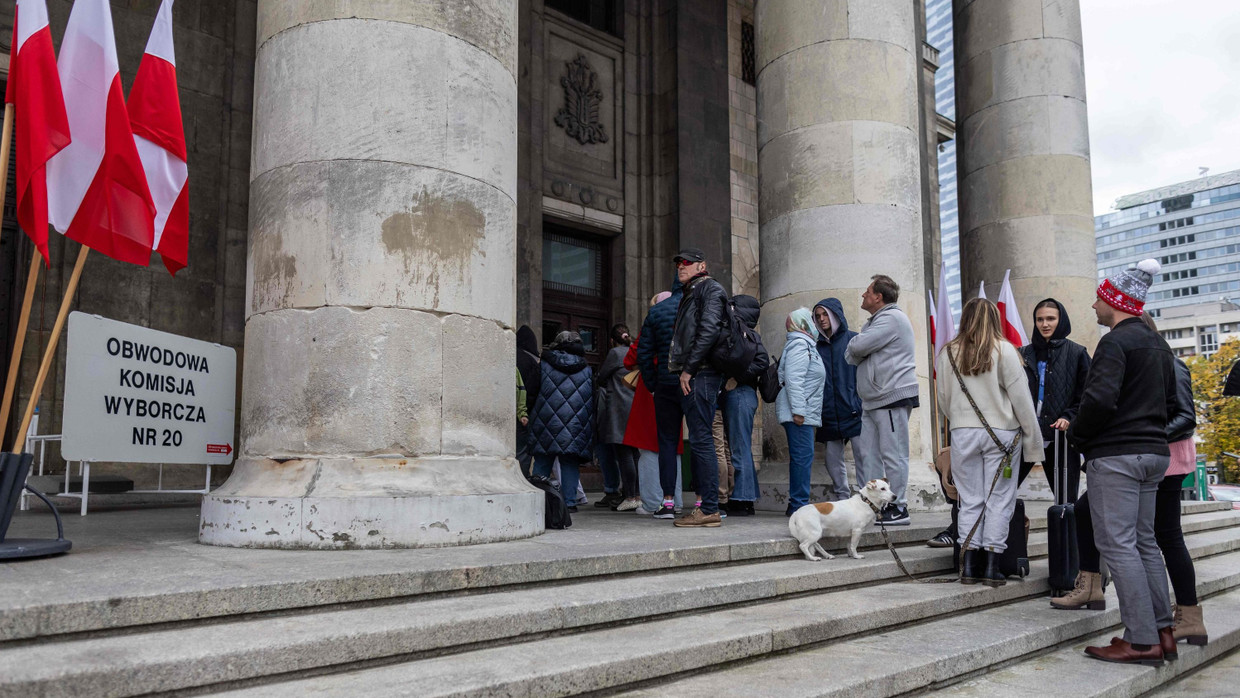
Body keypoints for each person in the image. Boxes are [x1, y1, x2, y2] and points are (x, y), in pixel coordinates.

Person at [1054, 313, 1207, 648]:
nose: (1094, 308)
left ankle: (1156, 631)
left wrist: (1099, 436)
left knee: (1148, 540)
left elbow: (1184, 416)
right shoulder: (1152, 354)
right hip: (1146, 455)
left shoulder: (1153, 357)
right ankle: (1160, 629)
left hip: (1152, 460)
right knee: (1136, 537)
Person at [1068, 259, 1178, 665]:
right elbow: (1169, 403)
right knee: (1145, 543)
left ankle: (1141, 638)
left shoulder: (1114, 343)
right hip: (1153, 453)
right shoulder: (1157, 344)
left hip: (1116, 455)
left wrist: (1079, 435)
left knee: (1118, 544)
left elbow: (1098, 400)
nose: (1094, 305)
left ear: (1115, 301)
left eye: (1099, 297)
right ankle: (1163, 631)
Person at [937, 299, 1044, 587]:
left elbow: (943, 400)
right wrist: (1034, 443)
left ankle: (969, 565)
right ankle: (993, 566)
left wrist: (962, 420)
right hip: (1002, 435)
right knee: (999, 500)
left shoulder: (948, 352)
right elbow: (1023, 401)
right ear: (995, 319)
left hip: (963, 432)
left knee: (969, 499)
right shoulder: (1005, 351)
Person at [845, 274, 919, 525]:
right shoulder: (875, 322)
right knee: (871, 455)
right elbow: (853, 352)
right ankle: (879, 505)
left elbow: (854, 348)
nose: (863, 295)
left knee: (894, 455)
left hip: (890, 397)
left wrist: (859, 346)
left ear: (879, 296)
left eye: (867, 291)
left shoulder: (891, 318)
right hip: (875, 399)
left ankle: (899, 508)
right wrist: (859, 346)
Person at [666, 248, 729, 528]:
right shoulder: (692, 292)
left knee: (702, 440)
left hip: (701, 374)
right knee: (701, 439)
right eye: (679, 263)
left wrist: (689, 369)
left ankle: (710, 509)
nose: (681, 266)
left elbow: (709, 329)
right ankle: (708, 509)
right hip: (697, 373)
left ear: (701, 265)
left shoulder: (709, 289)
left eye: (687, 263)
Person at [1019, 299, 1091, 502]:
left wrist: (1069, 417)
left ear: (1061, 320)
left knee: (1066, 500)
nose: (1045, 324)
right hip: (1027, 434)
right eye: (1039, 319)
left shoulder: (1077, 353)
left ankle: (1067, 535)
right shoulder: (1023, 353)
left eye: (1051, 318)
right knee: (1002, 491)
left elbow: (1087, 395)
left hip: (1062, 438)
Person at [628, 292, 684, 515]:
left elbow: (631, 357)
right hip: (680, 385)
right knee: (674, 447)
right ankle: (676, 501)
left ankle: (653, 502)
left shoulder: (655, 321)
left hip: (653, 389)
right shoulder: (685, 322)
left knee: (650, 447)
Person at [529, 331, 595, 512]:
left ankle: (538, 501)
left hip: (544, 421)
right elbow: (591, 400)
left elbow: (533, 392)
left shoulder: (544, 364)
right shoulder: (587, 369)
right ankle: (570, 503)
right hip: (575, 425)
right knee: (569, 463)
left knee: (542, 460)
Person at [720, 295, 767, 516]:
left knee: (739, 448)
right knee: (741, 448)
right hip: (742, 395)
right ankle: (746, 498)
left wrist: (737, 377)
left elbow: (762, 362)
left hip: (740, 394)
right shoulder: (747, 334)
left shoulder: (746, 335)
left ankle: (741, 498)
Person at [777, 308, 827, 516]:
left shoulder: (806, 345)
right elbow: (794, 379)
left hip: (804, 411)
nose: (816, 324)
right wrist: (799, 411)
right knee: (802, 458)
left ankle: (798, 503)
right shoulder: (800, 344)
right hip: (800, 413)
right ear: (804, 324)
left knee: (803, 458)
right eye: (812, 320)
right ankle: (798, 504)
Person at [812, 298, 863, 501]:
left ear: (836, 315)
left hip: (854, 410)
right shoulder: (816, 347)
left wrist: (859, 402)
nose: (822, 319)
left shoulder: (854, 340)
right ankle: (842, 496)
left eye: (825, 315)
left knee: (863, 457)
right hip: (828, 412)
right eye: (817, 316)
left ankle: (866, 498)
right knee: (832, 459)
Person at [596, 324, 640, 511]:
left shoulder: (615, 353)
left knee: (624, 453)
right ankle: (638, 493)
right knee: (635, 454)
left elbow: (601, 377)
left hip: (619, 407)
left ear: (613, 340)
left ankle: (630, 496)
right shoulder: (636, 351)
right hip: (636, 405)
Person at [515, 326, 542, 478]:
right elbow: (533, 392)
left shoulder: (510, 356)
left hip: (508, 414)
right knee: (523, 454)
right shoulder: (532, 363)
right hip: (524, 417)